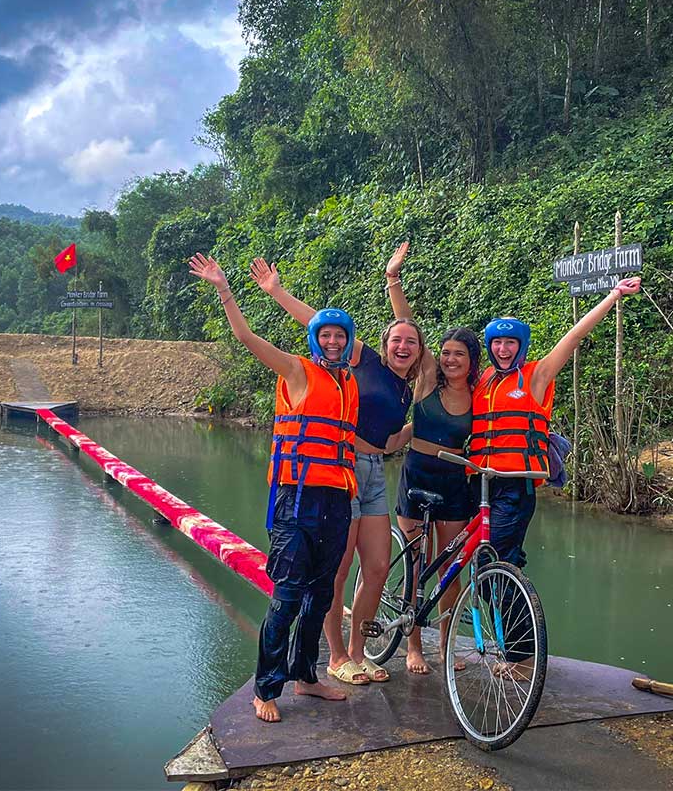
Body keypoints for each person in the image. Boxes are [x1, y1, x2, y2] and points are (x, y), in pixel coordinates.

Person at [189, 252, 357, 723]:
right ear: (314, 339)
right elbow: (245, 336)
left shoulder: (348, 383)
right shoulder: (297, 370)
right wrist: (225, 287)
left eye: (339, 336)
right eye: (325, 334)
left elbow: (349, 436)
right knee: (287, 595)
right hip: (296, 497)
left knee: (321, 595)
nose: (332, 341)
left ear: (347, 343)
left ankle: (306, 675)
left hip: (336, 499)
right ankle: (266, 687)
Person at [249, 243, 425, 685]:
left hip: (371, 477)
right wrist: (276, 291)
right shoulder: (362, 361)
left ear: (419, 352)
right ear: (382, 346)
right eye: (396, 341)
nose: (403, 346)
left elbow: (391, 437)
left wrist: (406, 439)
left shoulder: (415, 384)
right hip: (336, 471)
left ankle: (361, 652)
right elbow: (320, 324)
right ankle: (336, 656)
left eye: (411, 344)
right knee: (338, 570)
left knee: (379, 568)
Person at [470, 276, 642, 676]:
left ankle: (519, 656)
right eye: (496, 342)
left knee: (500, 561)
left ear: (521, 347)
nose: (502, 348)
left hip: (515, 486)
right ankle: (498, 640)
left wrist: (613, 296)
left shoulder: (535, 376)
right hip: (479, 483)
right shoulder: (481, 383)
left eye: (510, 342)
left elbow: (574, 336)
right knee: (486, 563)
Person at [393, 326, 481, 674]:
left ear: (472, 360)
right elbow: (405, 321)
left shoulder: (479, 393)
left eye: (459, 353)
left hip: (455, 480)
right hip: (417, 474)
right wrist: (393, 279)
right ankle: (413, 647)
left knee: (450, 567)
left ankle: (446, 644)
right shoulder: (428, 378)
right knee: (416, 563)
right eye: (445, 352)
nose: (450, 359)